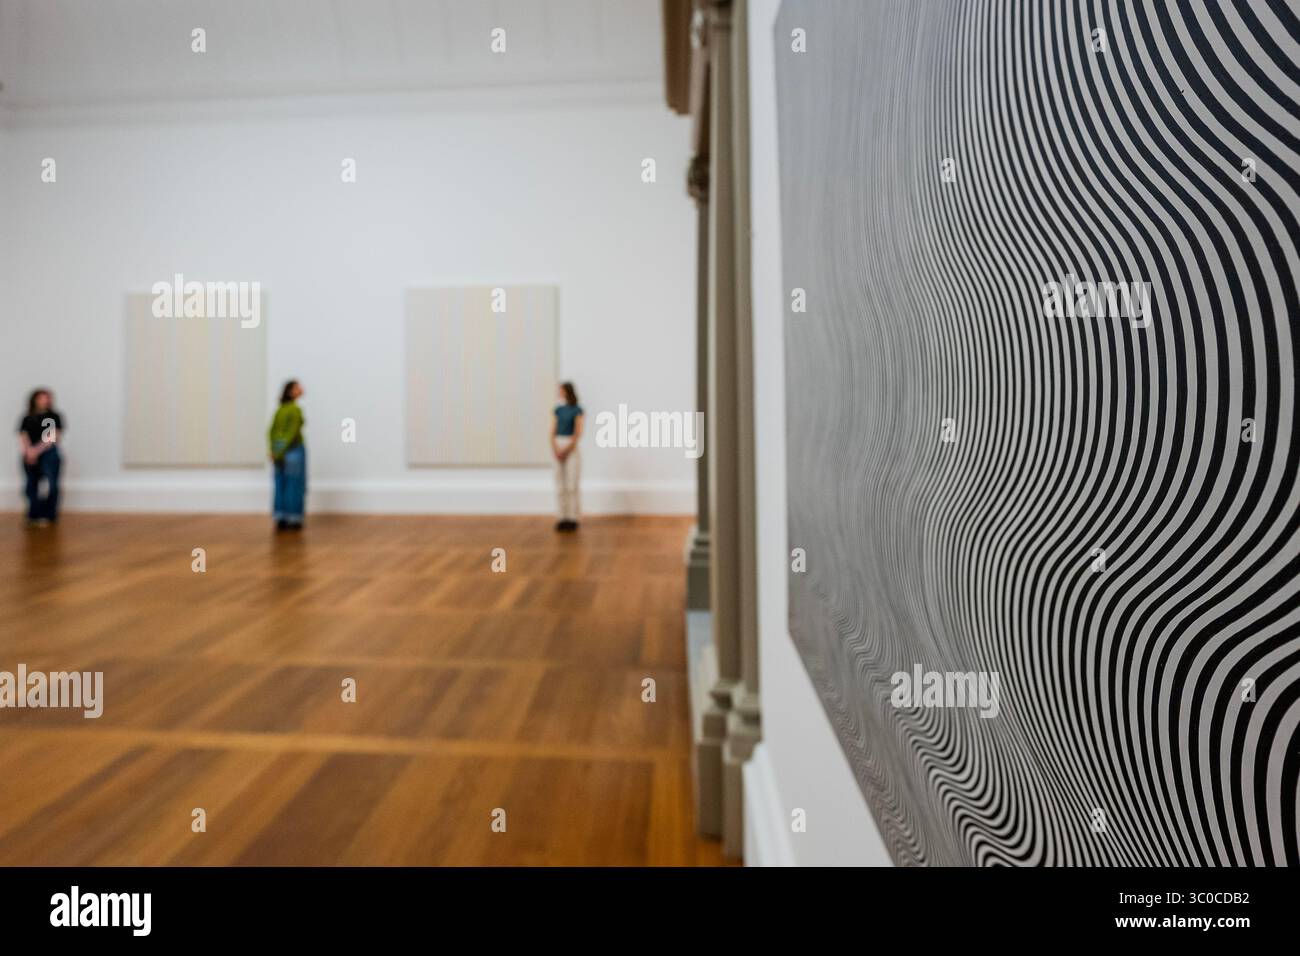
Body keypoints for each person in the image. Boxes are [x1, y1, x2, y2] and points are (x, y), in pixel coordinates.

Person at [17, 389, 63, 527]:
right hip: (29, 454)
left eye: (47, 398)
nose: (45, 401)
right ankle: (33, 514)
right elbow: (23, 435)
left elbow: (53, 436)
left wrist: (37, 450)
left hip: (48, 454)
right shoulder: (27, 417)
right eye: (41, 398)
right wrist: (28, 451)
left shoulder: (53, 417)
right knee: (31, 485)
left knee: (52, 485)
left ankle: (48, 515)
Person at [268, 380, 306, 530]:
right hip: (293, 451)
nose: (301, 389)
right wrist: (281, 451)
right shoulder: (295, 410)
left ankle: (280, 516)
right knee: (293, 484)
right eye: (298, 387)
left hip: (278, 450)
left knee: (280, 484)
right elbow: (291, 434)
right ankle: (293, 518)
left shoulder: (280, 410)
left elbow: (271, 431)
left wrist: (274, 450)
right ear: (291, 391)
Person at [552, 381, 584, 531]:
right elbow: (552, 431)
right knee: (560, 484)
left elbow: (577, 432)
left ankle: (573, 517)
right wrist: (556, 448)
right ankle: (562, 516)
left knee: (571, 484)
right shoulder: (557, 410)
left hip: (570, 446)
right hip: (558, 444)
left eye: (561, 390)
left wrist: (566, 449)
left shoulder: (577, 410)